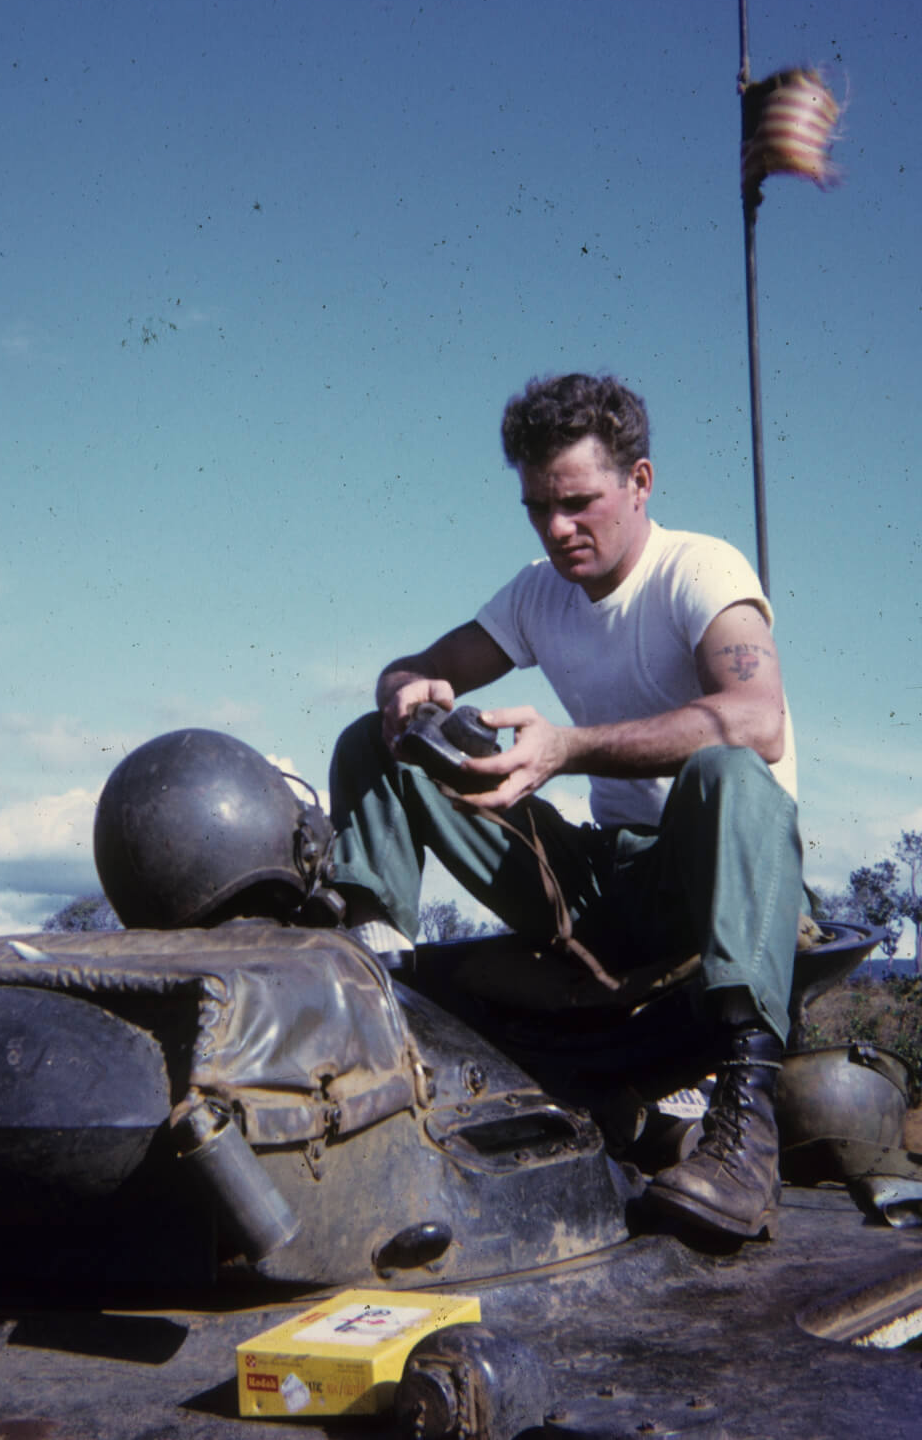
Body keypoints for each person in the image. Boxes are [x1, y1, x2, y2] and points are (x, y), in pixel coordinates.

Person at [326, 372, 804, 1242]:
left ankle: (744, 1123)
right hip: (597, 881)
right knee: (379, 741)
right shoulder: (536, 593)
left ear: (640, 482)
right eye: (538, 507)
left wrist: (568, 747)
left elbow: (759, 721)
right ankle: (372, 1025)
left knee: (727, 772)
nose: (557, 529)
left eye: (578, 502)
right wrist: (410, 688)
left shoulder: (702, 569)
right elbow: (409, 666)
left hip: (705, 882)